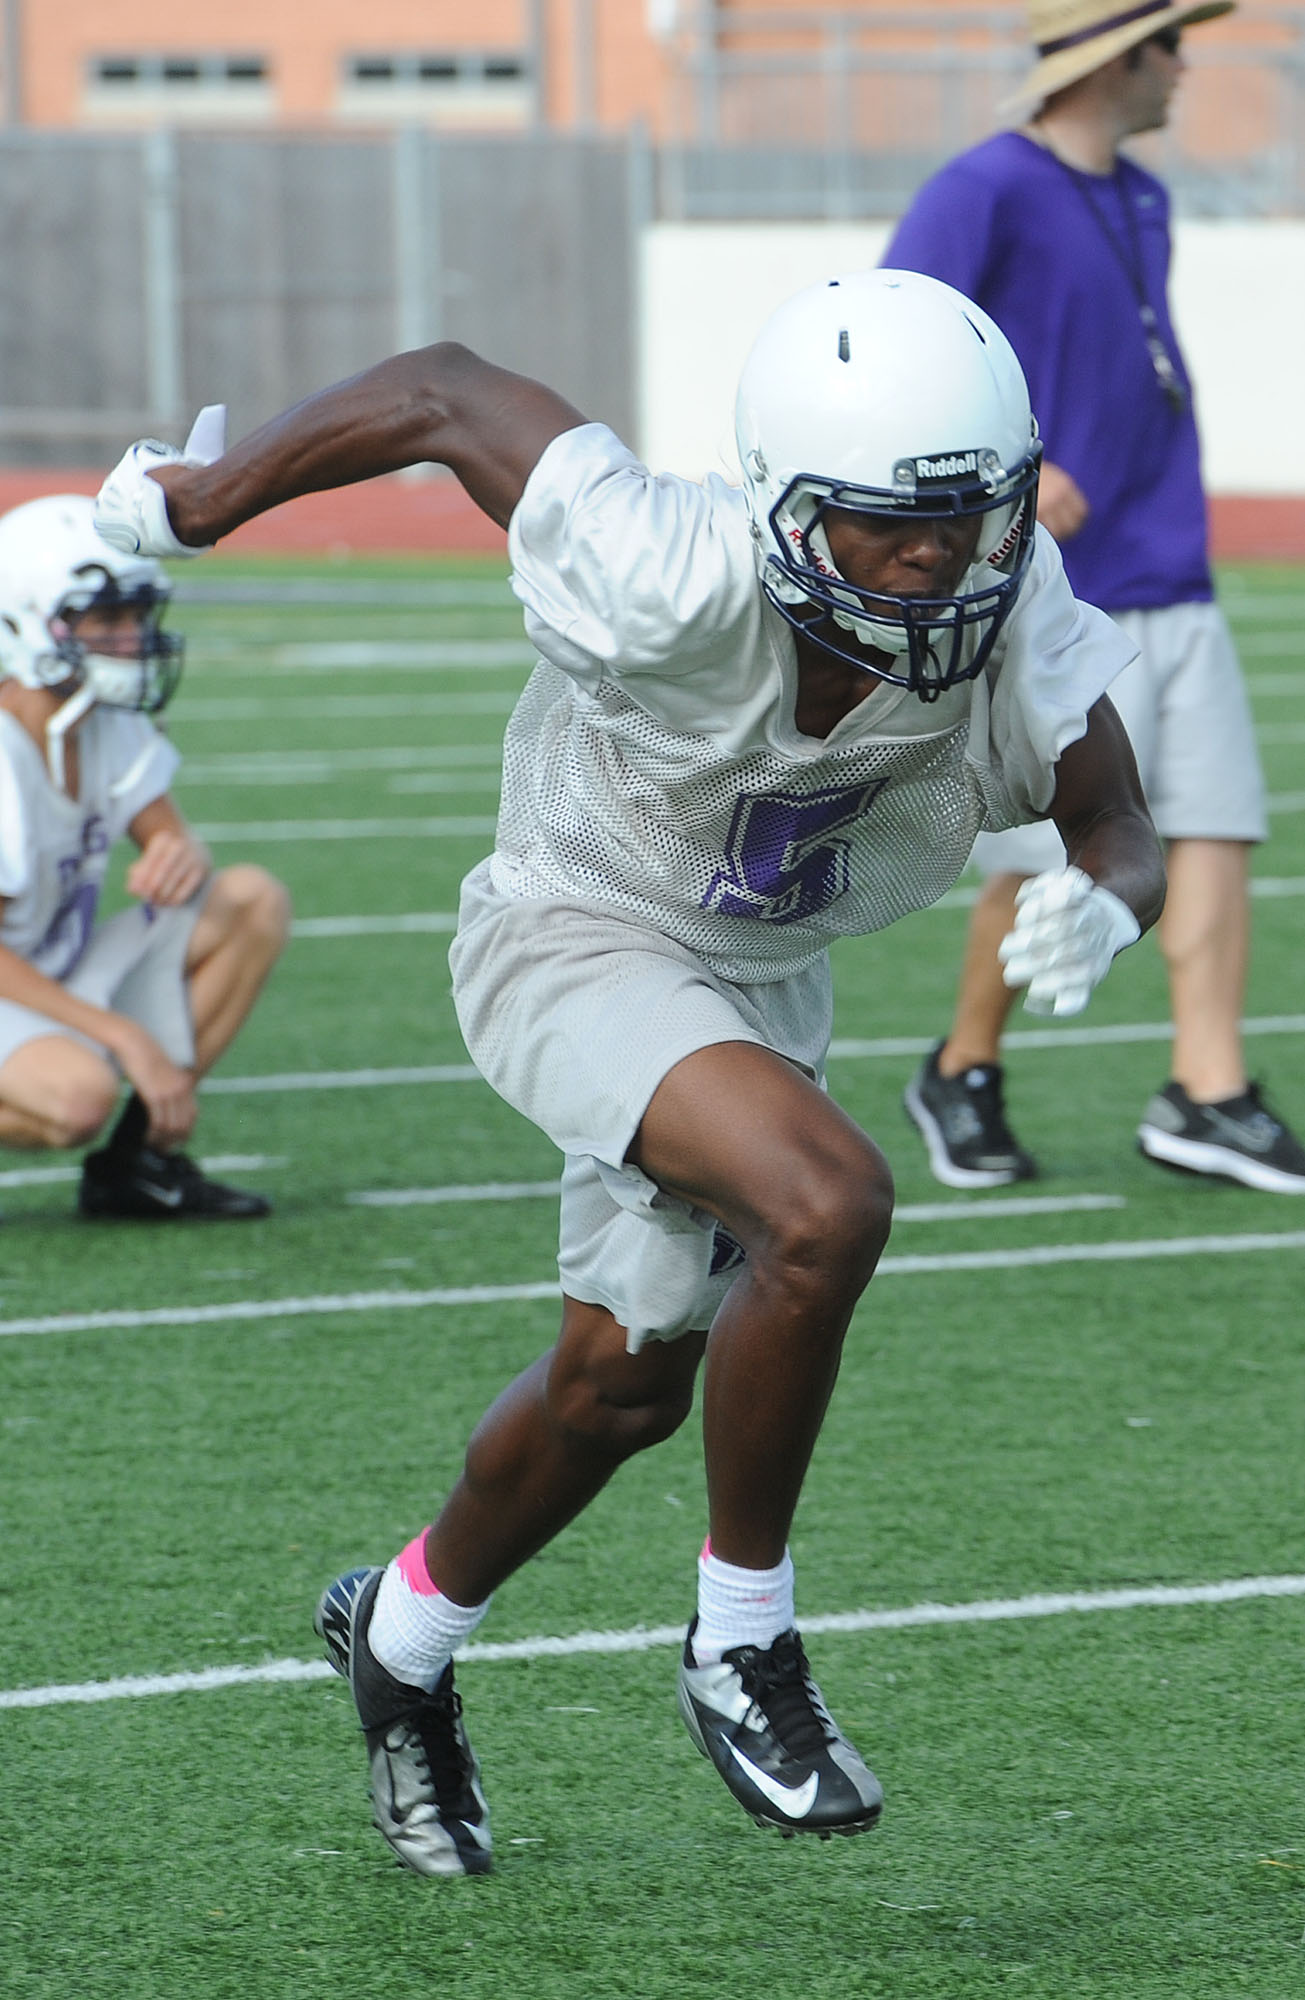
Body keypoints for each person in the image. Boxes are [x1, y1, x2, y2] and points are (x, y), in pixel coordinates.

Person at [95, 269, 1164, 1875]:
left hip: (752, 986)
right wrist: (199, 503)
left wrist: (1107, 903)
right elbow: (446, 388)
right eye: (890, 521)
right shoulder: (666, 562)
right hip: (572, 927)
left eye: (968, 514)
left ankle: (396, 1637)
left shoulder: (1011, 609)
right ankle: (743, 1643)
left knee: (623, 1384)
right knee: (830, 1203)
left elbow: (1117, 816)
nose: (940, 554)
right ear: (787, 506)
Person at [886, 0, 1305, 1196]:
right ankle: (963, 1066)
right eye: (1175, 42)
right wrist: (1012, 473)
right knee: (1046, 848)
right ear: (1120, 57)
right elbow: (896, 344)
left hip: (1176, 558)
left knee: (1217, 821)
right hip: (1057, 591)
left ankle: (1207, 1090)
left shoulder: (1146, 195)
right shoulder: (982, 190)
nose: (1188, 64)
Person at [0, 494, 291, 1219]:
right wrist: (125, 1035)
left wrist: (179, 848)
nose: (130, 638)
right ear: (28, 621)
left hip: (45, 967)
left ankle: (136, 1165)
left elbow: (167, 832)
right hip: (16, 978)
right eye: (105, 620)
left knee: (251, 900)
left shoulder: (96, 720)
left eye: (133, 616)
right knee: (77, 1097)